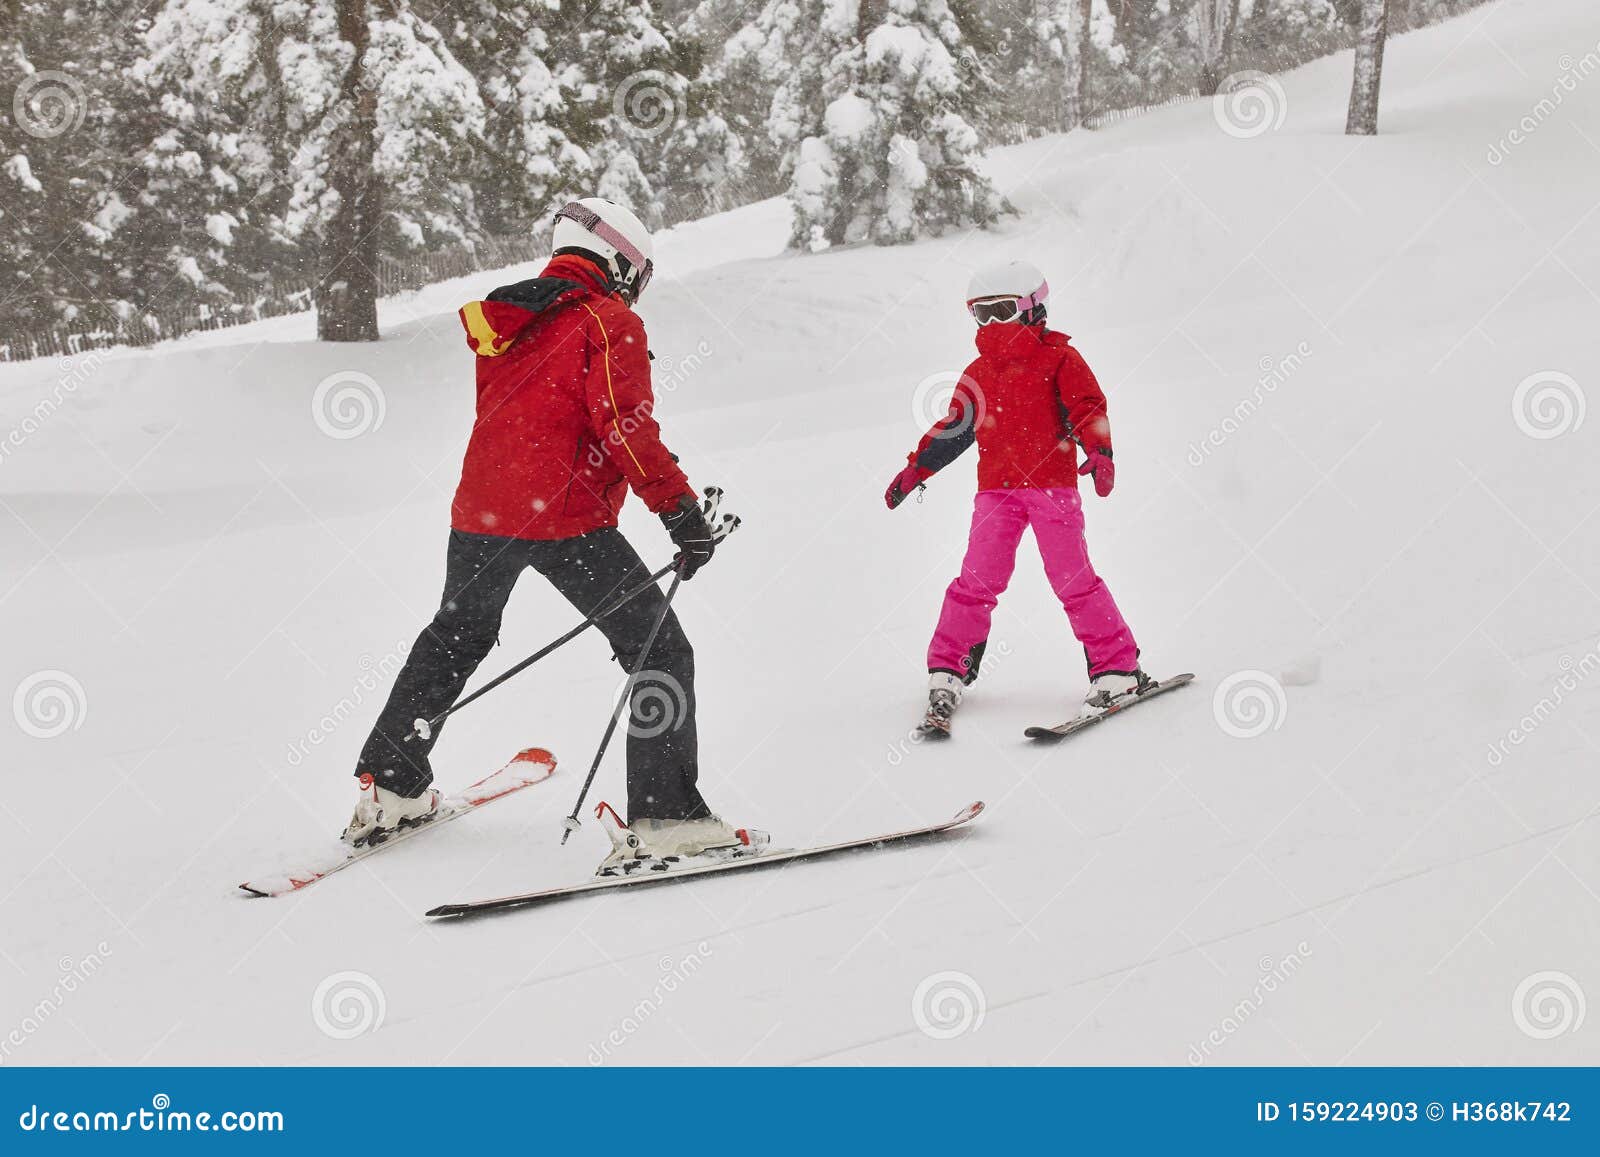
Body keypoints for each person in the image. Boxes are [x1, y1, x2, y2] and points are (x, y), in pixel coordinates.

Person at [345, 197, 760, 873]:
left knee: (454, 639)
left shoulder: (511, 316)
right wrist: (680, 512)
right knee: (659, 650)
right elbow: (624, 427)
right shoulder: (608, 319)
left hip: (480, 515)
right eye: (639, 273)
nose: (637, 288)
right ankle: (667, 818)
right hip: (565, 521)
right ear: (620, 261)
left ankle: (391, 786)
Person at [884, 259, 1149, 737]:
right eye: (980, 314)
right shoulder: (979, 372)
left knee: (1073, 580)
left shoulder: (1061, 359)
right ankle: (948, 671)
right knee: (975, 583)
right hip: (996, 494)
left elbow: (1089, 407)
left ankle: (1117, 669)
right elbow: (955, 429)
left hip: (1053, 488)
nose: (990, 324)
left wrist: (1100, 452)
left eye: (1001, 310)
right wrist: (915, 469)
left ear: (1031, 308)